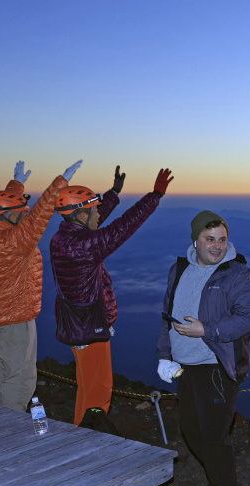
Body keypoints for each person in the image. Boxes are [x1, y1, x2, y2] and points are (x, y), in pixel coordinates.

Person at [156, 210, 250, 486]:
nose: (216, 246)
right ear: (195, 239)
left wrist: (207, 329)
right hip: (184, 366)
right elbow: (167, 315)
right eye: (209, 239)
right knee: (191, 431)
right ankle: (217, 483)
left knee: (213, 439)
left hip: (216, 366)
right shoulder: (180, 268)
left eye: (221, 239)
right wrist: (164, 356)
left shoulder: (236, 273)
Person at [50, 166, 174, 425]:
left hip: (76, 324)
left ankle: (78, 433)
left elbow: (95, 221)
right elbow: (122, 228)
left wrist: (114, 193)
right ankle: (91, 446)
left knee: (87, 386)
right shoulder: (82, 246)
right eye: (94, 210)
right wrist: (154, 196)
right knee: (99, 391)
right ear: (81, 214)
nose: (98, 213)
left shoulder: (65, 237)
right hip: (89, 328)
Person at [0, 160, 81, 412]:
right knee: (21, 377)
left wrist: (16, 184)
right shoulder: (12, 241)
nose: (25, 213)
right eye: (21, 210)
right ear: (12, 215)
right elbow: (37, 218)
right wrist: (60, 183)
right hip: (13, 319)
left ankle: (3, 415)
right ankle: (11, 425)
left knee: (5, 369)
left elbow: (9, 207)